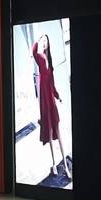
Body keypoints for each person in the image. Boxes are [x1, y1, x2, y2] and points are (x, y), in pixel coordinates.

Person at [31, 34, 69, 182]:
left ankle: (65, 165)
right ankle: (54, 163)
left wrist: (58, 96)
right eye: (43, 41)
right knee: (51, 130)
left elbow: (52, 84)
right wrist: (39, 39)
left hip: (51, 100)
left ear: (49, 44)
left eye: (47, 41)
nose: (45, 43)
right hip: (44, 100)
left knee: (58, 132)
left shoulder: (50, 62)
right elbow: (33, 52)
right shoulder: (39, 57)